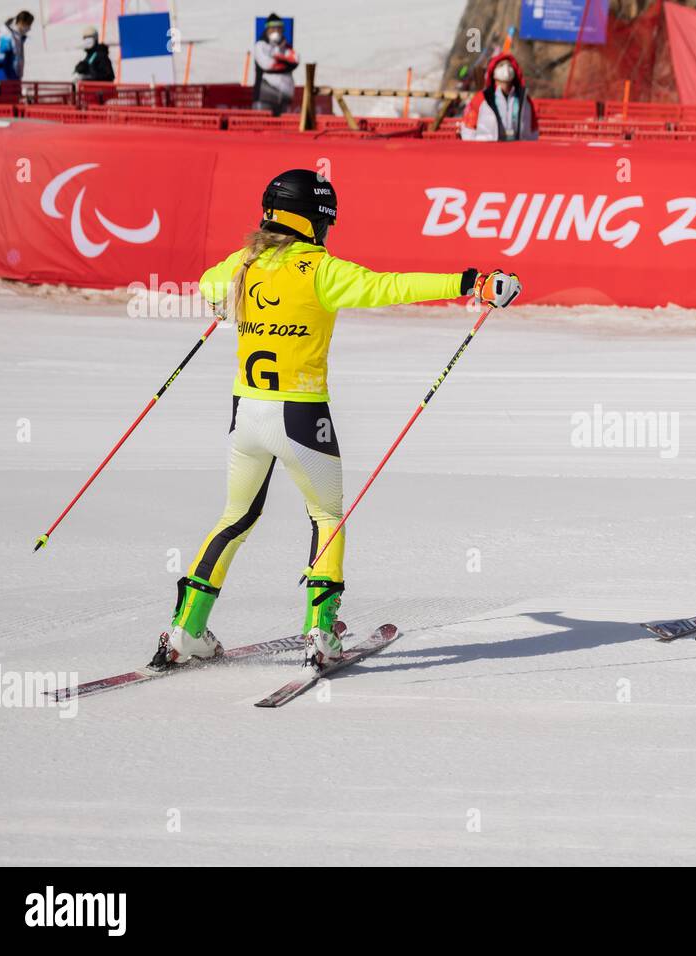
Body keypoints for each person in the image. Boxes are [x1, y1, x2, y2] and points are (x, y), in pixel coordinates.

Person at [150, 169, 522, 671]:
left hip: (246, 413)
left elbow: (208, 286)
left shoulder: (246, 262)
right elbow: (389, 287)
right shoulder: (320, 270)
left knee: (233, 518)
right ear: (314, 222)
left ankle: (186, 629)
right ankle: (321, 634)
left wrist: (232, 300)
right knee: (327, 517)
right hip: (301, 415)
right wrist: (469, 282)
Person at [460, 52, 539, 141]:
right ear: (493, 71)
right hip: (486, 151)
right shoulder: (482, 98)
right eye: (501, 65)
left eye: (509, 66)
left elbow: (533, 129)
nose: (506, 69)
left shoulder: (524, 100)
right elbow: (468, 128)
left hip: (517, 151)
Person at [252, 13, 298, 116]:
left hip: (285, 97)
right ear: (267, 29)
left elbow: (295, 60)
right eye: (273, 28)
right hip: (265, 97)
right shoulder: (261, 45)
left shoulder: (286, 47)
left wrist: (279, 60)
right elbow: (267, 65)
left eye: (279, 28)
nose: (276, 31)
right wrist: (284, 62)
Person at [0, 10, 32, 81]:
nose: (29, 28)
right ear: (21, 22)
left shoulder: (17, 37)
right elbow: (1, 60)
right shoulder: (8, 36)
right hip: (5, 77)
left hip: (14, 76)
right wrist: (7, 78)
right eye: (28, 25)